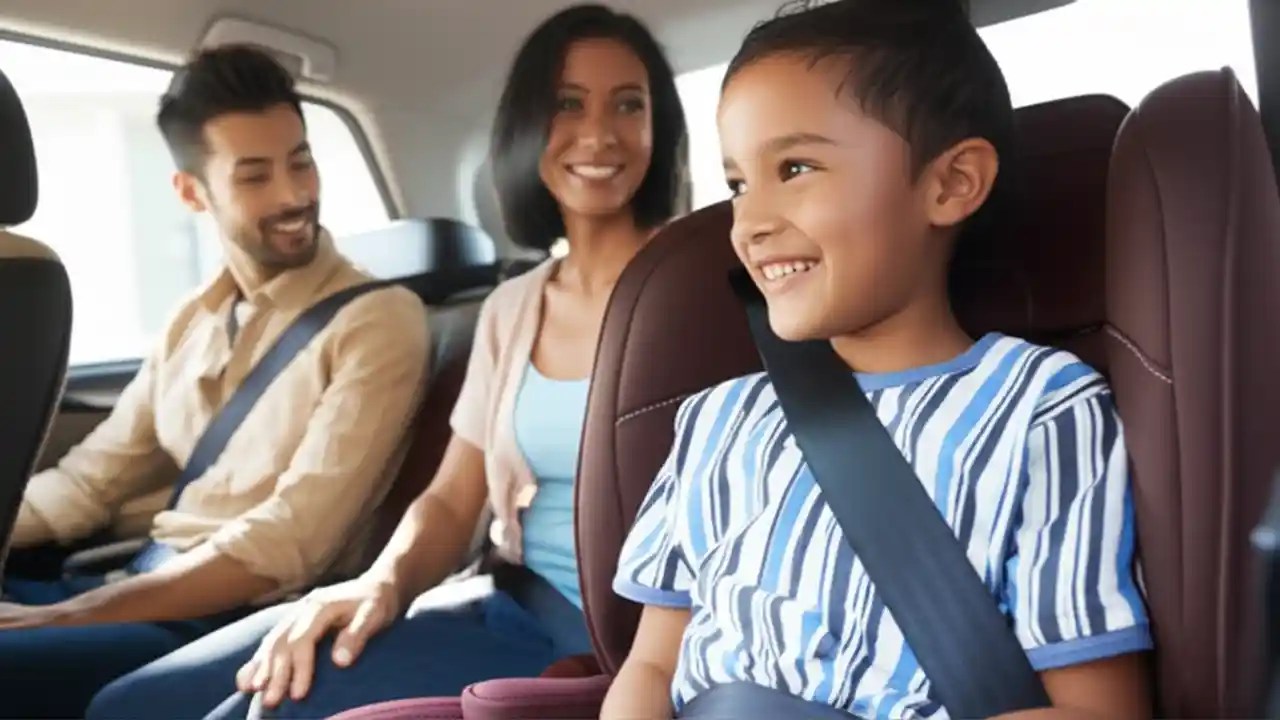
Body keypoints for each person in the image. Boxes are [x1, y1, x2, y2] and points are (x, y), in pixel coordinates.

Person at [86, 5, 688, 719]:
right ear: (526, 125)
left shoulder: (704, 290)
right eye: (567, 104)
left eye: (629, 104)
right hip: (505, 599)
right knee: (131, 706)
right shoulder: (513, 308)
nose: (599, 133)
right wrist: (381, 583)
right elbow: (451, 498)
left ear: (660, 129)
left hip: (619, 641)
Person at [602, 1, 1153, 719]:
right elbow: (650, 667)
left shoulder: (1042, 411)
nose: (750, 222)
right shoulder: (715, 425)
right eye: (739, 183)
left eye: (795, 167)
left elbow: (1097, 712)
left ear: (951, 184)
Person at [0, 44, 430, 719]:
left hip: (224, 620)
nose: (294, 195)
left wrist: (71, 618)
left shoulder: (377, 322)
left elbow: (290, 540)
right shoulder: (190, 320)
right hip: (126, 583)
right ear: (191, 191)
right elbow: (91, 482)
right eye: (255, 175)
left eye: (301, 161)